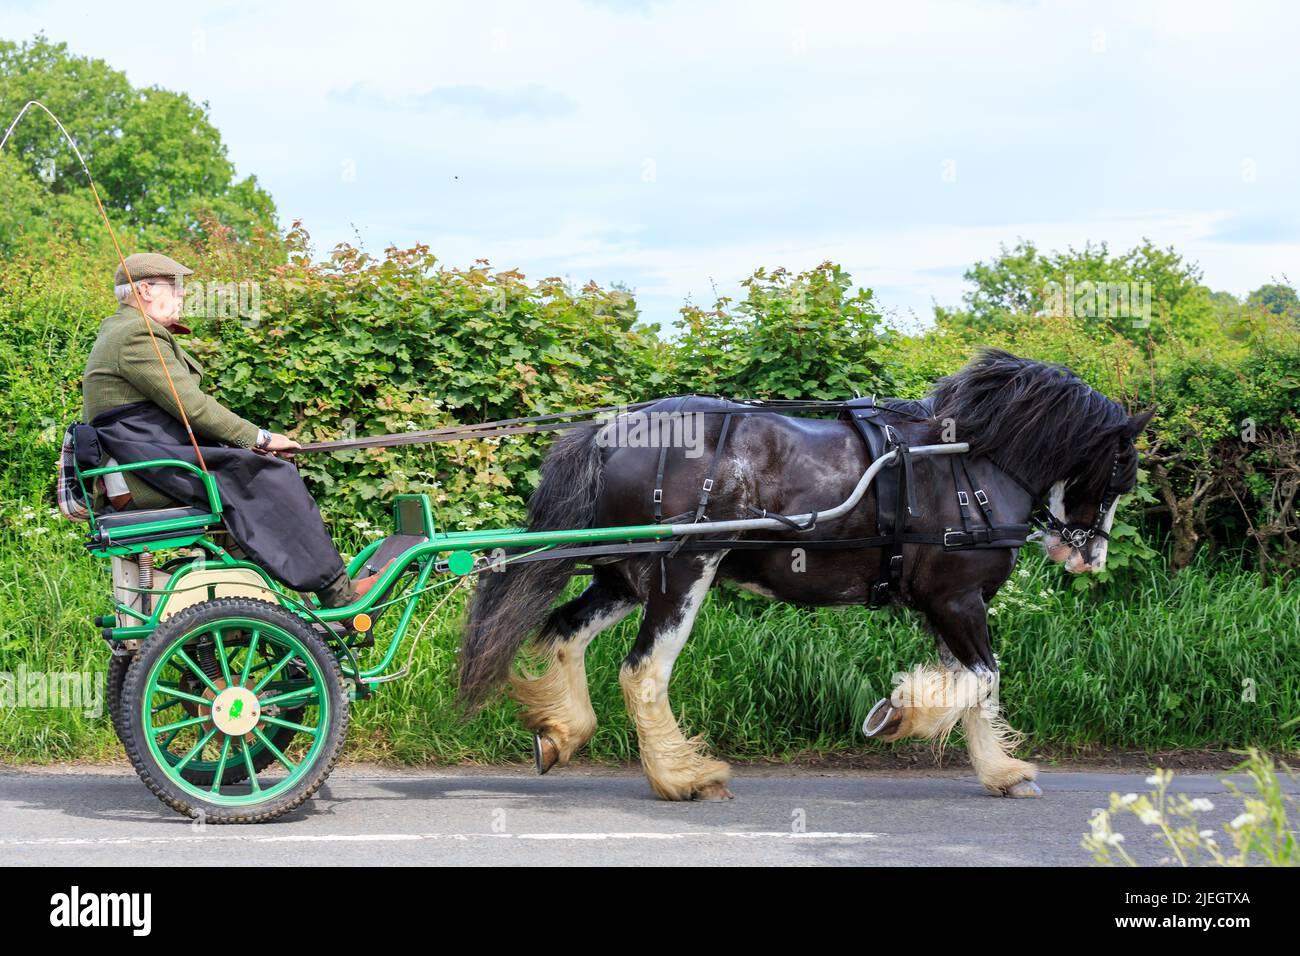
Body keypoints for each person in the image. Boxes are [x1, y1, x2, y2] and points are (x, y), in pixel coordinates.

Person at [81, 252, 376, 608]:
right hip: (146, 473)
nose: (183, 295)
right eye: (175, 286)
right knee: (271, 477)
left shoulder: (120, 329)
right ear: (144, 288)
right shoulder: (135, 333)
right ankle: (338, 596)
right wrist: (262, 439)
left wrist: (251, 446)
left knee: (251, 472)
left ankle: (293, 610)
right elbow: (194, 408)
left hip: (144, 463)